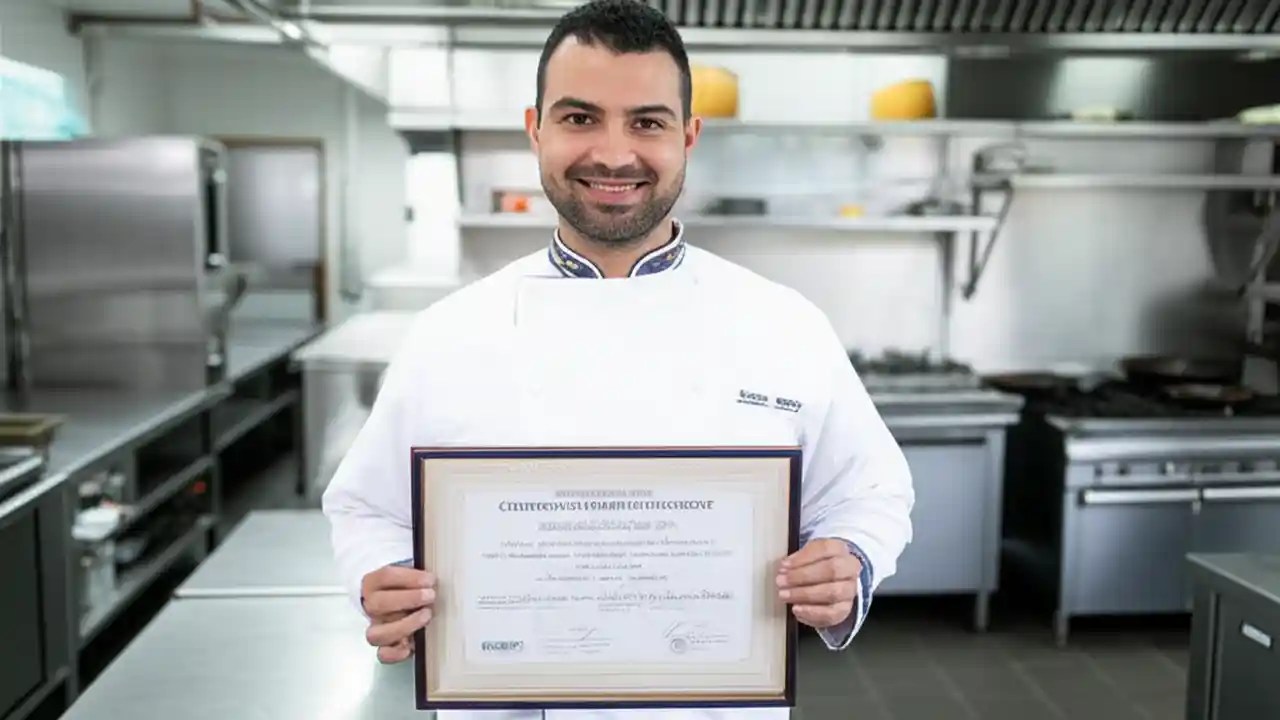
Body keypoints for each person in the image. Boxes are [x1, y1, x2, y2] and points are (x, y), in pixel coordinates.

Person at [322, 1, 914, 717]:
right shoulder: (449, 333)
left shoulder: (784, 324)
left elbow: (871, 491)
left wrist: (847, 557)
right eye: (578, 118)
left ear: (688, 136)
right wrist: (379, 574)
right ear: (534, 130)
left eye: (647, 122)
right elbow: (364, 506)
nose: (612, 153)